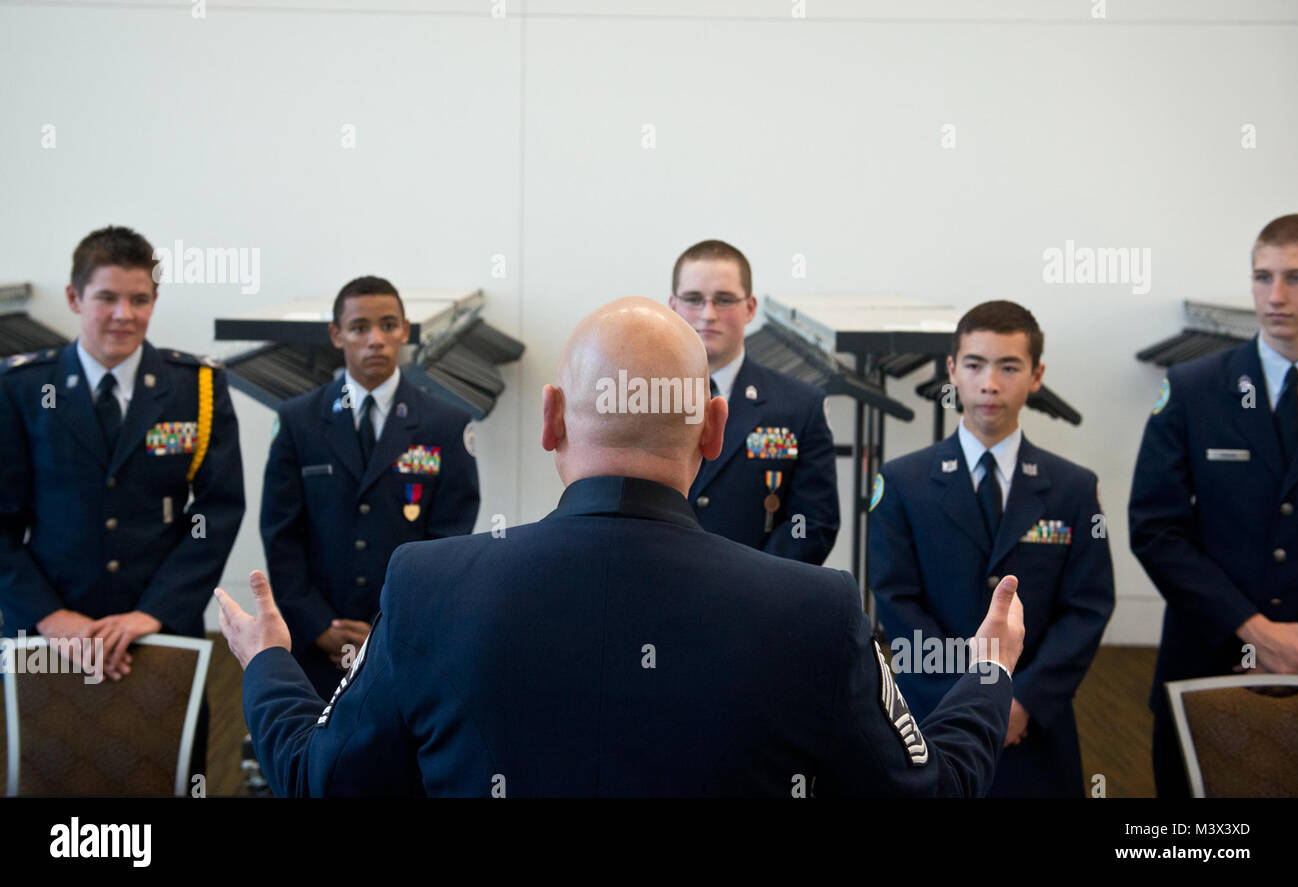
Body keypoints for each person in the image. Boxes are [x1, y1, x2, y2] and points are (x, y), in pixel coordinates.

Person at [217, 296, 1024, 797]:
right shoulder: (814, 608)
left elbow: (322, 775)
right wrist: (986, 676)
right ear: (713, 430)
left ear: (553, 421)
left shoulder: (428, 587)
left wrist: (268, 662)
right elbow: (928, 791)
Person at [0, 224, 245, 776]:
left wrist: (152, 612)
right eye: (107, 297)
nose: (124, 314)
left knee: (169, 766)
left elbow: (217, 510)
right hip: (54, 629)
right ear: (73, 298)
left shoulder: (197, 388)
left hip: (159, 625)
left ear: (155, 301)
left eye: (139, 299)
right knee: (50, 769)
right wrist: (49, 616)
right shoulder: (20, 389)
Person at [869, 300, 1114, 797]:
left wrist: (1020, 702)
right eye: (976, 365)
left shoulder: (1073, 488)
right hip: (934, 717)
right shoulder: (903, 481)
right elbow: (897, 603)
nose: (990, 385)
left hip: (1033, 724)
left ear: (1037, 375)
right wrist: (976, 704)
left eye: (1009, 367)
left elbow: (1087, 607)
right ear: (952, 371)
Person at [1130, 213, 1298, 798]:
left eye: (1296, 278)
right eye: (1262, 277)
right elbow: (1155, 529)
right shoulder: (1192, 387)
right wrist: (1257, 634)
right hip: (1206, 659)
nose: (1275, 296)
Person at [260, 276, 479, 697]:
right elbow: (281, 534)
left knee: (399, 758)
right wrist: (316, 624)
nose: (375, 340)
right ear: (336, 334)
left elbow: (450, 541)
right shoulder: (298, 421)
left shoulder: (445, 425)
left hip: (404, 640)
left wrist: (391, 624)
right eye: (360, 327)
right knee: (314, 753)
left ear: (405, 330)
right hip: (317, 644)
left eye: (388, 325)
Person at [668, 240, 839, 565]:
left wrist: (754, 582)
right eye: (693, 300)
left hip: (759, 600)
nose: (708, 314)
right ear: (673, 306)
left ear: (750, 308)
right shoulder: (645, 397)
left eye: (724, 300)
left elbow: (812, 524)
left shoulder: (801, 405)